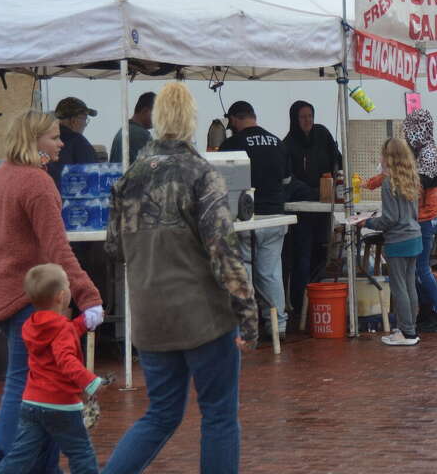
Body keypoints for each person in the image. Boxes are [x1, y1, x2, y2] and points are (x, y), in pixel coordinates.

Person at [103, 82, 258, 474]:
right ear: (191, 120)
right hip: (202, 317)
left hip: (150, 317)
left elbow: (114, 249)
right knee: (219, 416)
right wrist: (247, 311)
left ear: (155, 120)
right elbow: (224, 251)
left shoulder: (129, 179)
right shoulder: (201, 174)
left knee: (160, 415)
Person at [0, 109, 103, 474]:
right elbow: (57, 248)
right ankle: (5, 465)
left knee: (41, 389)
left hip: (3, 294)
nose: (61, 141)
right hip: (29, 297)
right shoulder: (36, 182)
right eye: (53, 136)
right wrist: (89, 295)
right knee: (25, 387)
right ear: (34, 141)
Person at [0, 265, 105, 474]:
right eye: (68, 285)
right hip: (61, 405)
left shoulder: (29, 326)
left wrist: (83, 322)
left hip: (31, 403)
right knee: (81, 453)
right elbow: (65, 358)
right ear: (62, 296)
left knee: (21, 455)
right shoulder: (64, 329)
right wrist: (90, 382)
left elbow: (59, 333)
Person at [220, 100, 289, 337]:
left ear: (234, 119)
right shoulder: (277, 142)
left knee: (245, 272)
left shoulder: (233, 143)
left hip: (247, 219)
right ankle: (278, 325)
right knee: (271, 273)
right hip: (276, 216)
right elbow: (287, 179)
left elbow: (219, 182)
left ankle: (248, 329)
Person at [357, 138, 424, 346]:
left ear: (389, 158)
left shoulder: (389, 183)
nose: (380, 159)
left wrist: (366, 222)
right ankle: (411, 327)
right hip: (415, 236)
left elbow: (390, 219)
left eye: (383, 155)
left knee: (399, 287)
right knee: (410, 284)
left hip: (398, 240)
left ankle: (406, 332)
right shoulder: (411, 178)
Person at [283, 100, 341, 327]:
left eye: (310, 116)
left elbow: (336, 159)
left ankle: (317, 301)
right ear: (295, 120)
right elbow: (289, 180)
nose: (307, 121)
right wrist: (313, 192)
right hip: (302, 209)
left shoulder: (323, 134)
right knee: (302, 258)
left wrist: (336, 180)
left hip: (323, 208)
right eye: (303, 117)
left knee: (322, 252)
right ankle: (299, 305)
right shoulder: (288, 144)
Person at [403, 109, 437, 333]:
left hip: (425, 218)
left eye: (410, 129)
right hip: (423, 217)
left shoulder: (428, 153)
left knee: (421, 268)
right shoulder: (423, 152)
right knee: (416, 269)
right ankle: (428, 310)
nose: (407, 134)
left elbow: (425, 183)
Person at [45, 97, 98, 190]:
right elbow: (93, 178)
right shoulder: (80, 143)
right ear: (73, 121)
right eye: (85, 119)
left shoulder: (44, 140)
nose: (85, 124)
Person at [109, 92, 155, 165]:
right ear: (145, 111)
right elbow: (152, 168)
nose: (158, 118)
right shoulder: (141, 135)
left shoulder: (124, 130)